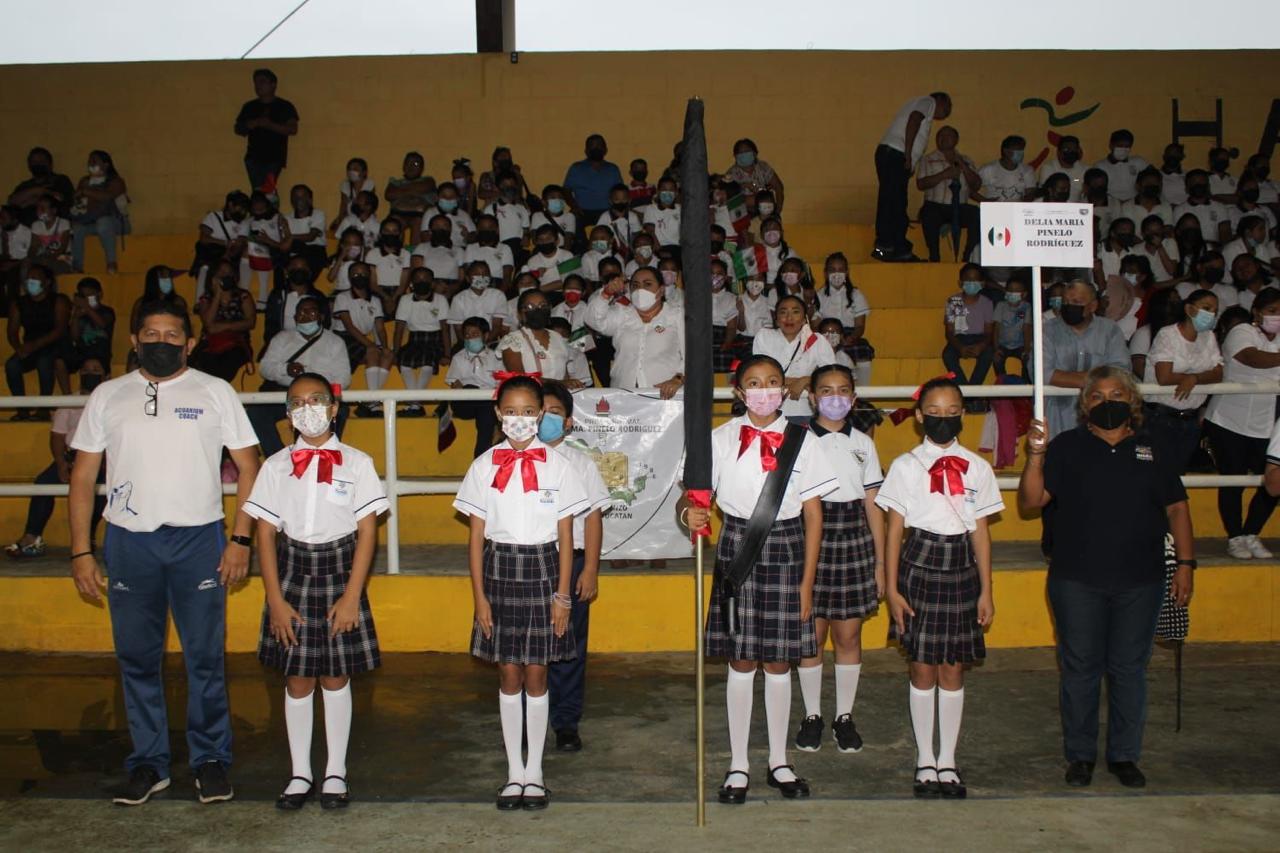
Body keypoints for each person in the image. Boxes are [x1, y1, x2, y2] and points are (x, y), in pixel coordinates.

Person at [69, 301, 261, 806]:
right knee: (137, 658)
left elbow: (249, 467)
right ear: (133, 340)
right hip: (130, 541)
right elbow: (83, 476)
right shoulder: (109, 396)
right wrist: (80, 551)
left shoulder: (215, 392)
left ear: (189, 343)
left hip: (199, 539)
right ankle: (149, 764)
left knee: (204, 658)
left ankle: (211, 760)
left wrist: (240, 539)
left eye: (173, 334)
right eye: (151, 333)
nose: (162, 341)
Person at [1019, 367, 1194, 789]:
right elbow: (1030, 502)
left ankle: (1124, 755)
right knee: (1079, 669)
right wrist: (1035, 456)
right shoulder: (1067, 446)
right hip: (1076, 578)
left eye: (1116, 393)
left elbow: (1177, 509)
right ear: (1085, 405)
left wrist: (1187, 564)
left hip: (1142, 579)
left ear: (1132, 399)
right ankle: (1080, 756)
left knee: (1129, 669)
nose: (1107, 401)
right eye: (1096, 396)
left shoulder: (1155, 446)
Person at [681, 355, 838, 804]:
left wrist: (807, 583)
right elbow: (690, 501)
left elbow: (814, 515)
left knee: (778, 663)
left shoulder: (803, 442)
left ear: (784, 389)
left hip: (788, 552)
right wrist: (689, 514)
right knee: (742, 661)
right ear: (738, 391)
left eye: (772, 382)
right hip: (736, 548)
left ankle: (778, 759)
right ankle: (737, 764)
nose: (764, 390)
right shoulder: (718, 439)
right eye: (754, 383)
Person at [246, 372, 389, 810]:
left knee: (335, 675)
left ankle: (335, 772)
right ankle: (299, 772)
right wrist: (274, 598)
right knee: (298, 677)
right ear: (288, 414)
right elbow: (265, 535)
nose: (307, 408)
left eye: (316, 399)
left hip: (339, 574)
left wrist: (351, 595)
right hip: (291, 577)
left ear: (334, 407)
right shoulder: (274, 466)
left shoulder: (357, 463)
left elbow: (368, 533)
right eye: (297, 402)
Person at [453, 375, 587, 811]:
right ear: (497, 414)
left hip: (545, 571)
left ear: (543, 415)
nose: (521, 419)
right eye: (511, 411)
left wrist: (563, 596)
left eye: (530, 411)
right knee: (508, 674)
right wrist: (479, 598)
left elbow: (567, 538)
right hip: (499, 571)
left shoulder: (560, 467)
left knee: (537, 674)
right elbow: (475, 539)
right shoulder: (483, 465)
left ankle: (536, 774)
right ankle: (514, 772)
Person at [877, 376, 1001, 799]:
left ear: (962, 415)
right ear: (918, 417)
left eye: (951, 413)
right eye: (934, 413)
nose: (943, 420)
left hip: (961, 569)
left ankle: (948, 758)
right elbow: (894, 532)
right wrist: (892, 589)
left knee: (953, 667)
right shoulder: (905, 466)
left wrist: (986, 590)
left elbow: (981, 533)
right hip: (919, 568)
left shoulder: (978, 468)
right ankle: (924, 758)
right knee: (922, 666)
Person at [793, 363, 884, 754]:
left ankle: (843, 717)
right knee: (810, 635)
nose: (834, 397)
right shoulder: (795, 439)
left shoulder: (864, 443)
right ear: (812, 396)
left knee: (848, 634)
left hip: (852, 540)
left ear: (854, 396)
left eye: (842, 390)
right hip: (805, 535)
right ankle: (812, 715)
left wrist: (880, 562)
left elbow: (873, 504)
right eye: (825, 390)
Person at [537, 381, 611, 752]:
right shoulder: (508, 459)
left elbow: (594, 518)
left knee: (569, 646)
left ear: (568, 422)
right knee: (526, 646)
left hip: (574, 561)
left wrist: (591, 569)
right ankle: (526, 716)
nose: (546, 418)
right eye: (541, 410)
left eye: (555, 412)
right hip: (529, 562)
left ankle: (565, 721)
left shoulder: (581, 462)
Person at [1203, 289, 1280, 559]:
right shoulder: (1243, 331)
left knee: (1273, 482)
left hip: (1266, 423)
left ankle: (1251, 532)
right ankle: (1235, 536)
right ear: (1257, 312)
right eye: (1271, 310)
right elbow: (1252, 358)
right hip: (1228, 420)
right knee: (1232, 480)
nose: (1277, 316)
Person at [5, 359, 108, 559]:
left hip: (103, 459)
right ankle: (32, 536)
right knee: (42, 483)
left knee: (102, 488)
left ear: (106, 376)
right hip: (72, 456)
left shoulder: (113, 400)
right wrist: (61, 463)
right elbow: (57, 436)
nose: (90, 374)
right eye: (85, 370)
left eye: (95, 370)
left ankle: (87, 538)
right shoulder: (70, 401)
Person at [253, 296, 352, 457]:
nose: (305, 315)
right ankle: (282, 459)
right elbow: (264, 368)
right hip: (285, 395)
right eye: (301, 312)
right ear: (294, 317)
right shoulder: (281, 339)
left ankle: (322, 457)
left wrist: (319, 390)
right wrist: (286, 369)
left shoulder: (335, 342)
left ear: (321, 316)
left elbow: (344, 378)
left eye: (311, 311)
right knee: (255, 413)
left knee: (338, 411)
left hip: (318, 397)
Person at [1041, 281, 1131, 439]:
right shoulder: (1047, 330)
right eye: (1065, 302)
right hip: (1057, 421)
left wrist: (1066, 377)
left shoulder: (1110, 330)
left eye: (1076, 302)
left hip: (1102, 421)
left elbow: (1121, 372)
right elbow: (1043, 373)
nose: (1069, 306)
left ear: (1093, 306)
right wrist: (1098, 378)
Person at [1146, 289, 1223, 471]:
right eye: (1206, 308)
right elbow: (1164, 376)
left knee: (1177, 476)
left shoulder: (1209, 337)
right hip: (1160, 418)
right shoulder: (1167, 334)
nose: (1211, 314)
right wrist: (1189, 378)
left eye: (1215, 310)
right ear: (1189, 309)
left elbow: (1218, 373)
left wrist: (1194, 378)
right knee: (1154, 475)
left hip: (1190, 420)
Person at [874, 92, 952, 261]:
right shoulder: (928, 102)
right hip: (896, 153)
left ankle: (888, 247)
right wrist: (908, 155)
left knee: (892, 201)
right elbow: (914, 119)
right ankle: (893, 247)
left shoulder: (918, 104)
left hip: (890, 154)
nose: (947, 113)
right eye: (947, 108)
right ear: (940, 100)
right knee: (895, 202)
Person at [586, 268, 685, 398]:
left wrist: (678, 379)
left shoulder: (676, 315)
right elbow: (593, 321)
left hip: (665, 395)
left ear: (661, 290)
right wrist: (606, 294)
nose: (640, 290)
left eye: (647, 284)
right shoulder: (622, 313)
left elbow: (693, 354)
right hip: (623, 394)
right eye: (635, 285)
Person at [751, 295, 836, 420]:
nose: (789, 318)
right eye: (783, 312)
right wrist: (804, 381)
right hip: (768, 412)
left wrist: (806, 380)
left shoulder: (817, 340)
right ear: (776, 319)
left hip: (806, 411)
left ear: (804, 319)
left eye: (795, 312)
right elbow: (761, 376)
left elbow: (831, 376)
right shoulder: (764, 336)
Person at [6, 264, 71, 416]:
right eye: (28, 278)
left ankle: (44, 408)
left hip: (54, 345)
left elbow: (59, 330)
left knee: (44, 362)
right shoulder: (19, 303)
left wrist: (34, 346)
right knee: (12, 365)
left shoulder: (59, 300)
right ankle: (22, 409)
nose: (30, 282)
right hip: (29, 346)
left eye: (35, 278)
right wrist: (19, 348)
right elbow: (12, 331)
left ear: (47, 282)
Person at [332, 268, 392, 415]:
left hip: (362, 339)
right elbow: (349, 326)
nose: (360, 277)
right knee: (372, 351)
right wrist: (371, 345)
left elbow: (380, 327)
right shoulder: (342, 297)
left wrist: (384, 347)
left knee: (388, 355)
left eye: (364, 274)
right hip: (343, 338)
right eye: (356, 274)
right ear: (350, 277)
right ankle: (373, 401)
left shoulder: (375, 300)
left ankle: (371, 400)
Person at [916, 126, 981, 262]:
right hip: (936, 206)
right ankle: (934, 257)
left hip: (960, 206)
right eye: (940, 136)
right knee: (928, 215)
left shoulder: (966, 160)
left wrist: (963, 167)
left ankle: (967, 256)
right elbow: (921, 184)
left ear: (956, 140)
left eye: (948, 136)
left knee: (977, 215)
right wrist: (944, 175)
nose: (943, 139)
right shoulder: (927, 159)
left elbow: (976, 185)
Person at [393, 267, 450, 413]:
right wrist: (396, 351)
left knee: (427, 362)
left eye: (425, 279)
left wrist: (447, 354)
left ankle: (414, 404)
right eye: (418, 279)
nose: (421, 282)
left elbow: (445, 328)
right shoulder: (405, 300)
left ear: (432, 283)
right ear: (412, 283)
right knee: (404, 360)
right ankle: (415, 404)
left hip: (435, 339)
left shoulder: (440, 299)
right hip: (415, 339)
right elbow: (399, 328)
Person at [234, 68, 299, 194]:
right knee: (258, 191)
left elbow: (292, 129)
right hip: (253, 157)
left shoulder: (284, 106)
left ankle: (270, 212)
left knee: (268, 191)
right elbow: (238, 129)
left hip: (274, 157)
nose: (258, 86)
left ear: (273, 84)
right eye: (256, 83)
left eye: (262, 82)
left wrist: (269, 125)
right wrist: (251, 124)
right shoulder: (249, 107)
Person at [445, 316, 502, 458]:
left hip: (489, 404)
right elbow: (455, 384)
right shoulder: (458, 358)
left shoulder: (496, 357)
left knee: (486, 412)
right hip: (465, 404)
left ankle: (480, 458)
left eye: (475, 334)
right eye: (467, 335)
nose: (471, 338)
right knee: (471, 388)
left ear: (486, 335)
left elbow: (501, 383)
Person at [190, 262, 256, 383]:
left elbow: (250, 322)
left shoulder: (243, 296)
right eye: (222, 273)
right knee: (197, 361)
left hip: (236, 343)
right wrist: (218, 295)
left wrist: (221, 327)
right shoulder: (206, 298)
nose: (226, 276)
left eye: (229, 273)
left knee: (229, 360)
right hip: (210, 343)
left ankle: (218, 389)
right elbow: (209, 325)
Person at [941, 264, 995, 400]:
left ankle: (970, 393)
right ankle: (966, 391)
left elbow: (989, 332)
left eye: (975, 280)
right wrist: (960, 347)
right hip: (959, 338)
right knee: (948, 355)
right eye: (967, 280)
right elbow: (949, 331)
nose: (971, 283)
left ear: (982, 283)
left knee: (988, 353)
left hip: (980, 338)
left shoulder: (987, 303)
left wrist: (981, 346)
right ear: (960, 283)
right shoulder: (953, 301)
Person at [69, 150, 127, 274]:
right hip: (92, 222)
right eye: (89, 161)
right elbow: (77, 200)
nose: (90, 163)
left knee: (104, 221)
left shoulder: (116, 181)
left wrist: (86, 191)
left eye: (94, 161)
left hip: (116, 223)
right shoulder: (84, 181)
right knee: (77, 228)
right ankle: (77, 265)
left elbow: (107, 197)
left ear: (106, 165)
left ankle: (111, 262)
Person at [500, 290, 570, 382]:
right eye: (530, 307)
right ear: (520, 314)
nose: (537, 310)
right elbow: (519, 379)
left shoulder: (557, 337)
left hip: (560, 395)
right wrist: (560, 384)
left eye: (543, 305)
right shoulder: (512, 340)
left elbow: (565, 376)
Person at [563, 135, 624, 236]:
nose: (596, 148)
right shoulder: (576, 168)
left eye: (599, 145)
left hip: (608, 211)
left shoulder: (613, 169)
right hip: (582, 211)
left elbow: (620, 191)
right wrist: (574, 207)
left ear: (605, 149)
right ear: (586, 150)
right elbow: (566, 190)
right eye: (592, 146)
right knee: (571, 223)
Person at [264, 256, 327, 349]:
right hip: (282, 344)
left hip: (312, 343)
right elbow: (271, 325)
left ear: (309, 272)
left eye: (303, 268)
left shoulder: (318, 297)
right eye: (295, 268)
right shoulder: (277, 295)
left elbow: (325, 323)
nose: (299, 270)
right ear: (286, 272)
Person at [193, 191, 249, 293]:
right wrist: (224, 243)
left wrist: (228, 254)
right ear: (230, 205)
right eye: (240, 207)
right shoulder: (213, 217)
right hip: (210, 256)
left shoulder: (244, 223)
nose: (243, 211)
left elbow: (240, 244)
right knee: (204, 270)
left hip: (230, 257)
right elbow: (203, 239)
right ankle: (200, 299)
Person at [244, 191, 292, 308]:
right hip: (254, 252)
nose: (258, 207)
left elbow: (285, 243)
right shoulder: (249, 222)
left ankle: (267, 299)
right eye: (255, 204)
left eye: (260, 203)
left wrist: (268, 241)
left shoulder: (278, 218)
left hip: (276, 251)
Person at [7, 147, 76, 225]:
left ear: (50, 163)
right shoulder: (25, 185)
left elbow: (63, 200)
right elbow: (12, 202)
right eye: (34, 161)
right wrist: (39, 190)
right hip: (26, 230)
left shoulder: (60, 180)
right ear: (29, 165)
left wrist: (31, 200)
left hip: (55, 229)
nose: (38, 164)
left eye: (41, 161)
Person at [63, 276, 115, 377]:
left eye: (90, 295)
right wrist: (75, 317)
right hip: (82, 355)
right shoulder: (79, 313)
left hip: (101, 355)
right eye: (84, 296)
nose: (86, 298)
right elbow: (74, 337)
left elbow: (103, 323)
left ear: (99, 294)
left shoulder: (107, 311)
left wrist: (87, 308)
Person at [449, 261, 510, 343]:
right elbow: (458, 329)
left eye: (485, 274)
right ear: (467, 278)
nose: (481, 277)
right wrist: (470, 345)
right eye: (477, 274)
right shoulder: (459, 298)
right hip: (467, 343)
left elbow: (497, 326)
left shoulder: (498, 295)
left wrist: (484, 343)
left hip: (490, 341)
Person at [384, 152, 435, 245]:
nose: (411, 167)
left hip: (419, 215)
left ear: (422, 168)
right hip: (398, 214)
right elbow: (390, 194)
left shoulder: (428, 180)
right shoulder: (395, 181)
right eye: (408, 163)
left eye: (415, 164)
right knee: (394, 224)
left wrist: (401, 191)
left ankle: (415, 253)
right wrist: (414, 190)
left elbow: (425, 187)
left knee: (419, 223)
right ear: (403, 166)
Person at [725, 139, 785, 212]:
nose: (744, 154)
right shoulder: (731, 173)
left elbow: (778, 186)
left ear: (754, 153)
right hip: (741, 214)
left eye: (746, 151)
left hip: (764, 210)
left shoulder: (763, 167)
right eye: (740, 152)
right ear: (735, 156)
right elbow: (726, 196)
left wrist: (778, 209)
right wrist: (742, 186)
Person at [367, 217, 411, 315]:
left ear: (400, 234)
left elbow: (404, 282)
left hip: (398, 293)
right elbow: (373, 282)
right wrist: (386, 298)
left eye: (394, 231)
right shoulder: (373, 253)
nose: (391, 234)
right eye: (387, 231)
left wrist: (394, 299)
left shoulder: (406, 254)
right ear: (381, 234)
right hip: (378, 293)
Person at [284, 184, 328, 280]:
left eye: (302, 197)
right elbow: (286, 241)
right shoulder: (287, 218)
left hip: (315, 252)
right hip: (295, 252)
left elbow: (311, 237)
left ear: (310, 199)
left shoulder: (318, 214)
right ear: (291, 200)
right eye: (295, 197)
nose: (299, 200)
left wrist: (292, 237)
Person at [1092, 130, 1149, 204]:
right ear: (1111, 145)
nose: (1123, 150)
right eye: (1120, 146)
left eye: (1127, 147)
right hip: (1110, 204)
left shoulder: (1138, 162)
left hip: (1134, 204)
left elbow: (1152, 177)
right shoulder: (1100, 166)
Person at [973, 136, 1035, 203]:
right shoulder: (989, 169)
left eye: (1022, 150)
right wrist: (985, 201)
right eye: (1018, 150)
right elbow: (970, 189)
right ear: (1006, 151)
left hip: (1017, 210)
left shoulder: (1027, 170)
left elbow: (1030, 193)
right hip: (994, 210)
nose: (1021, 153)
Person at [992, 276, 1031, 379]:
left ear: (1024, 294)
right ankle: (1003, 383)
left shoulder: (1026, 307)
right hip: (1003, 345)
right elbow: (996, 329)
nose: (1012, 293)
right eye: (1010, 290)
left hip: (1020, 345)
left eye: (1016, 291)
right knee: (997, 360)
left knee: (1029, 360)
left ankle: (1026, 386)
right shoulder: (1001, 306)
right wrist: (996, 349)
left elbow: (1026, 329)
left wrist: (1027, 350)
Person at [1037, 135, 1086, 201]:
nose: (1070, 152)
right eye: (1067, 149)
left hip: (1077, 208)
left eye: (1074, 149)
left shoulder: (1085, 170)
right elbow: (1045, 193)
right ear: (1059, 152)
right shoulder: (1048, 168)